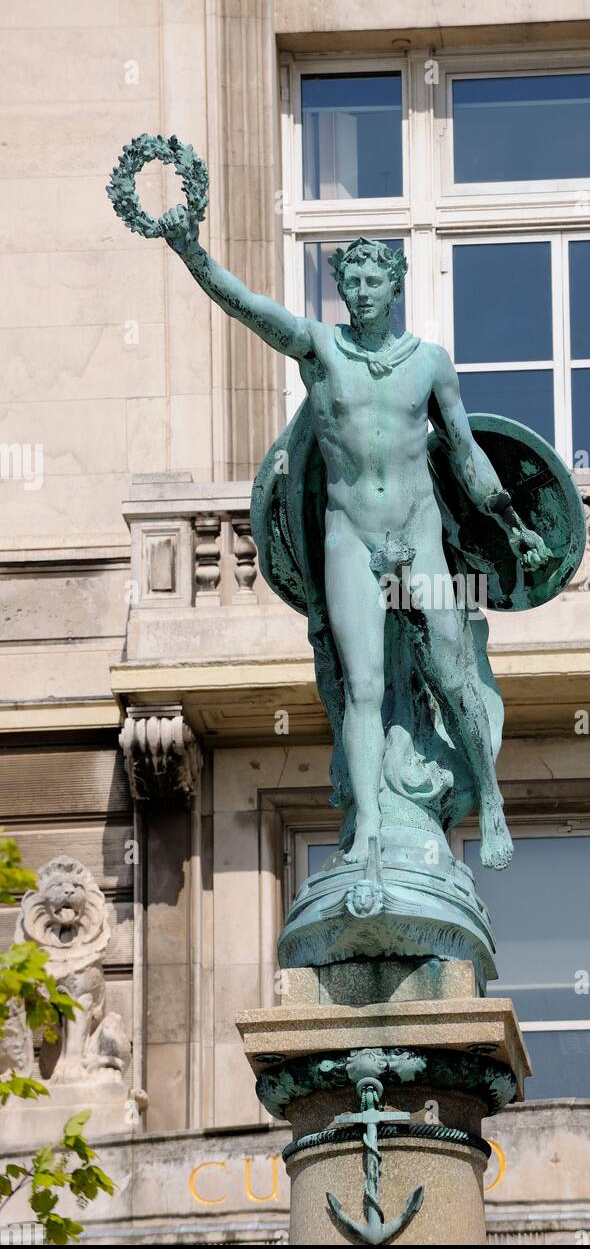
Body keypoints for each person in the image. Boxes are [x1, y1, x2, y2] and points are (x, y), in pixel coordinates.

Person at [162, 214, 550, 868]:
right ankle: (368, 823)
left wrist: (513, 523)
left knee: (454, 676)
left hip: (418, 536)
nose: (364, 290)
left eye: (375, 278)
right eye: (354, 279)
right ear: (341, 288)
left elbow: (464, 452)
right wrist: (193, 254)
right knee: (362, 686)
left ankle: (492, 797)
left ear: (395, 286)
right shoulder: (320, 348)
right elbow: (249, 308)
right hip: (350, 539)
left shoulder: (428, 363)